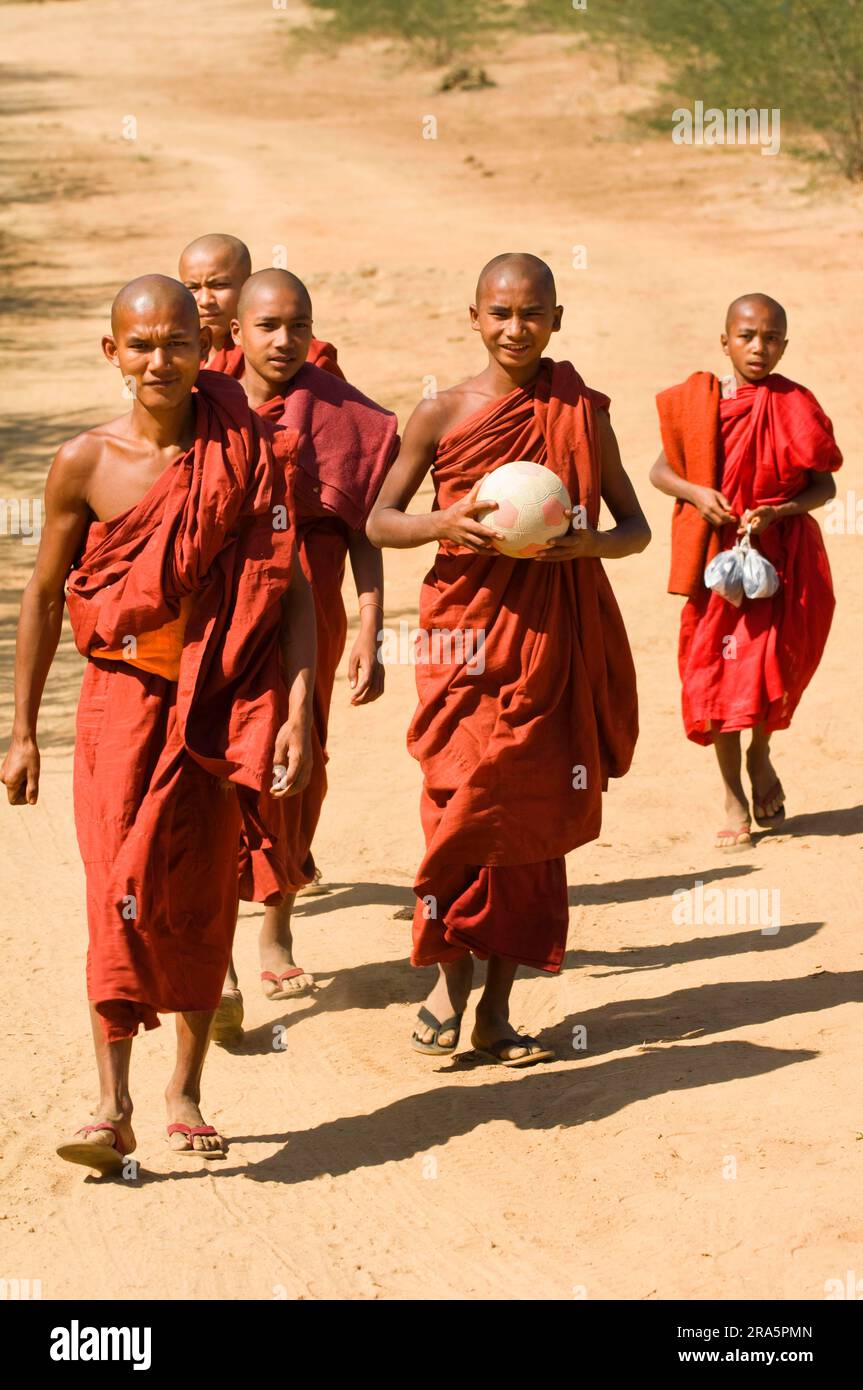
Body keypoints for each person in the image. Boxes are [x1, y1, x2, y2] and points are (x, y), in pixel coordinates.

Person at [0, 275, 316, 1171]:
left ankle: (185, 1091)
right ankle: (111, 1105)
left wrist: (294, 707)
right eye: (140, 344)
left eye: (177, 342)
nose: (159, 360)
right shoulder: (85, 463)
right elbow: (43, 598)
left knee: (201, 894)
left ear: (202, 347)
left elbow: (284, 588)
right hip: (119, 708)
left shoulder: (247, 452)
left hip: (216, 709)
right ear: (112, 354)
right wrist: (22, 730)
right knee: (116, 897)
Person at [367, 253, 648, 1066]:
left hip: (550, 635)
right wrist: (443, 524)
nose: (514, 328)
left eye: (531, 314)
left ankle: (494, 1007)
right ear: (473, 317)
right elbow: (381, 520)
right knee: (459, 799)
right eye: (499, 313)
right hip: (463, 637)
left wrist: (587, 545)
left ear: (556, 320)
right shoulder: (438, 412)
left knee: (530, 817)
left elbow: (635, 527)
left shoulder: (580, 414)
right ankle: (449, 975)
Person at [209, 268, 398, 1041]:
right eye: (266, 327)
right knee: (214, 768)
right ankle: (214, 956)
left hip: (307, 609)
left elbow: (366, 528)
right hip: (219, 610)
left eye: (297, 326)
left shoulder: (343, 413)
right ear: (237, 333)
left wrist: (369, 625)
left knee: (294, 763)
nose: (283, 342)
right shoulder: (203, 404)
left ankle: (275, 927)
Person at [650, 293, 842, 848]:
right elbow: (661, 469)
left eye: (772, 338)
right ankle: (731, 791)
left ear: (785, 343)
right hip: (717, 558)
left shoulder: (795, 404)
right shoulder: (701, 402)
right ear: (725, 340)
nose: (759, 348)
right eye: (748, 336)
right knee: (715, 673)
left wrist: (781, 509)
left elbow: (823, 483)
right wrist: (697, 493)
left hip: (780, 557)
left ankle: (760, 755)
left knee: (765, 667)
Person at [178, 233, 344, 378]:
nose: (205, 300)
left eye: (219, 285)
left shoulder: (291, 352)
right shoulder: (179, 351)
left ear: (247, 285)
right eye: (193, 288)